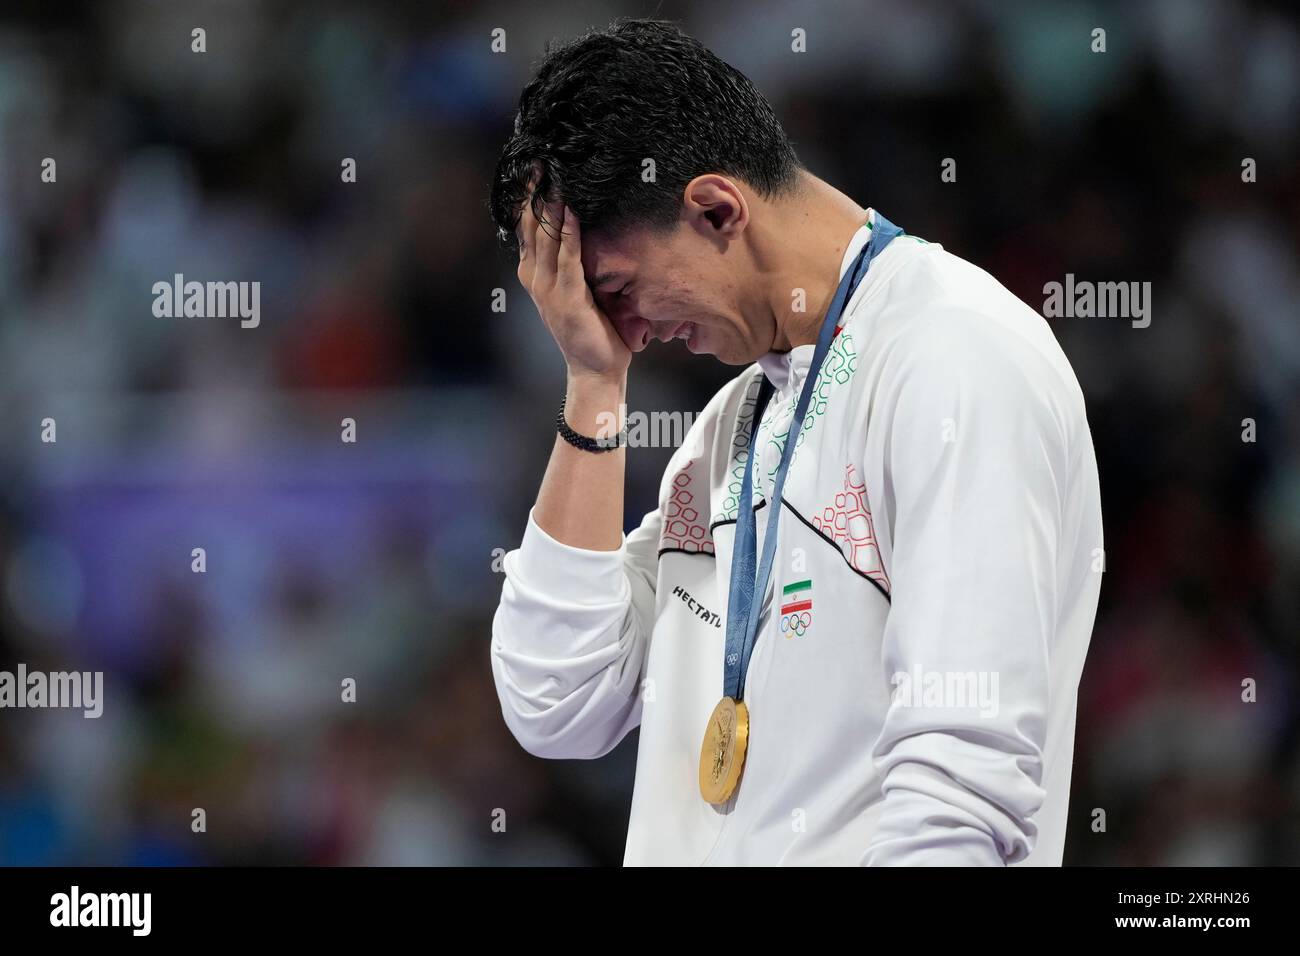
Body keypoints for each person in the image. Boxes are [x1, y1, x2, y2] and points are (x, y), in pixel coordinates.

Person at [486, 18, 1103, 866]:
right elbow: (557, 698)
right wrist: (594, 388)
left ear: (714, 208)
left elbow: (962, 780)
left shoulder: (957, 356)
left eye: (617, 291)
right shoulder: (736, 421)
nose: (619, 330)